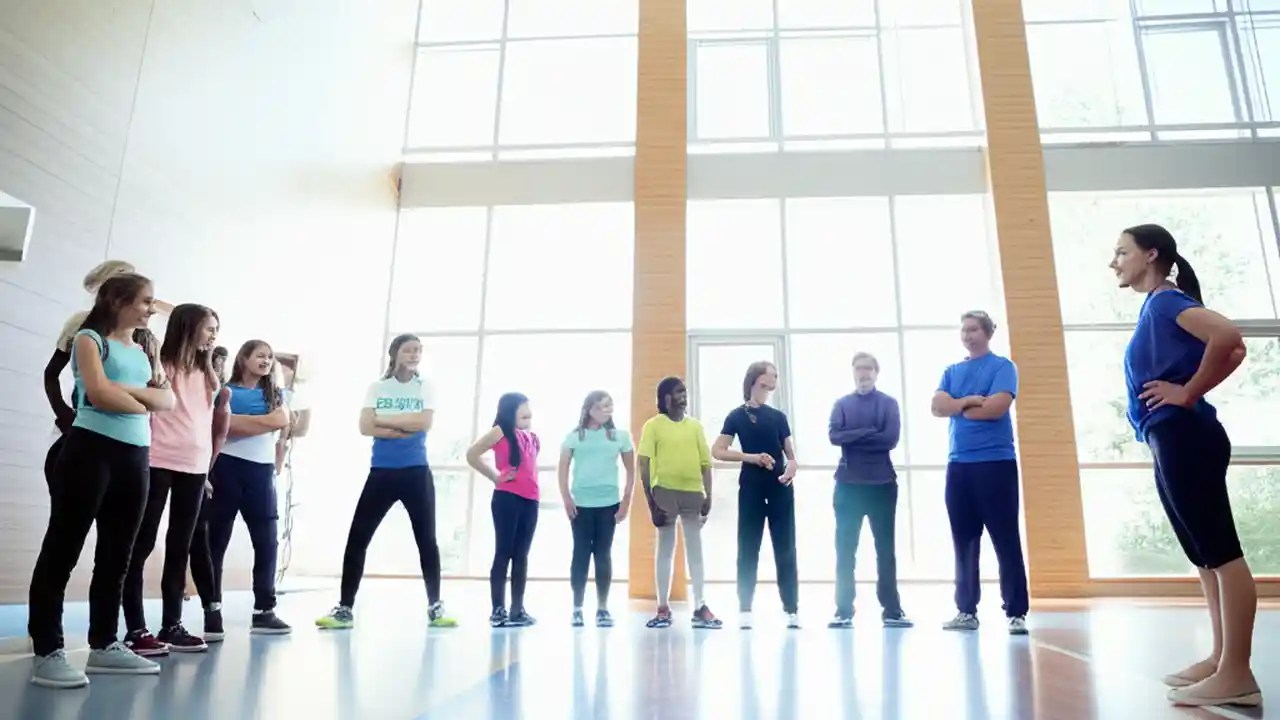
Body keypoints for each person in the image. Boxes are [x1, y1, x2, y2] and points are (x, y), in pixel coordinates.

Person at [1111, 224, 1259, 708]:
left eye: (1121, 252)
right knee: (1203, 557)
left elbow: (1230, 339)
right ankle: (1221, 659)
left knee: (1221, 552)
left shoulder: (1165, 301)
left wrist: (1189, 392)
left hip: (1185, 435)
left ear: (1151, 255)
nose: (1114, 262)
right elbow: (1229, 348)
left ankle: (1237, 671)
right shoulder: (1155, 307)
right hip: (1170, 437)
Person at [27, 273, 174, 688]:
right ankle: (48, 650)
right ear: (118, 300)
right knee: (63, 547)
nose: (150, 308)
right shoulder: (89, 339)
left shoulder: (144, 353)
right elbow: (98, 393)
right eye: (145, 301)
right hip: (90, 452)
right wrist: (141, 397)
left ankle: (105, 643)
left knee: (118, 554)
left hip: (135, 456)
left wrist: (127, 392)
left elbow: (167, 400)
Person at [316, 334, 458, 630]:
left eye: (418, 350)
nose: (414, 354)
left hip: (416, 472)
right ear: (394, 353)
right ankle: (344, 609)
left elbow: (424, 424)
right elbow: (365, 426)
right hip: (381, 472)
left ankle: (435, 606)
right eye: (408, 349)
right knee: (358, 539)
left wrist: (385, 422)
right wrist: (402, 425)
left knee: (426, 540)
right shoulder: (377, 387)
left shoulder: (425, 387)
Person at [120, 305, 222, 657]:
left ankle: (172, 625)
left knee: (180, 547)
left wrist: (206, 471)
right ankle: (135, 628)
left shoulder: (209, 374)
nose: (213, 336)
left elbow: (206, 423)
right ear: (188, 327)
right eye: (209, 328)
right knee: (142, 542)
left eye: (216, 330)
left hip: (194, 467)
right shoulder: (159, 365)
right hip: (157, 460)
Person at [931, 310, 1029, 635]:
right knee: (964, 540)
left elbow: (997, 408)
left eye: (973, 329)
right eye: (964, 330)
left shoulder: (1003, 367)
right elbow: (936, 407)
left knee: (1005, 538)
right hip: (959, 465)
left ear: (986, 333)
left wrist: (958, 406)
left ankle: (1016, 612)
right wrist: (970, 401)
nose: (967, 334)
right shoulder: (951, 370)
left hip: (996, 464)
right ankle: (966, 611)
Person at [207, 340, 292, 634]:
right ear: (243, 359)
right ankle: (212, 609)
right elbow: (218, 424)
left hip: (261, 474)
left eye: (270, 357)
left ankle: (264, 610)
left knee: (267, 542)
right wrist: (262, 423)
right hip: (226, 470)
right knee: (215, 541)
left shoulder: (275, 394)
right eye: (260, 355)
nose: (266, 360)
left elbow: (281, 420)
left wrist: (237, 422)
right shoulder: (225, 390)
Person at [711, 362, 799, 630]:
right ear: (755, 380)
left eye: (773, 380)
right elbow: (718, 450)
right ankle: (745, 607)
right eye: (768, 378)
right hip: (751, 487)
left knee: (785, 546)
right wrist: (751, 457)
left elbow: (791, 455)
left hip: (780, 486)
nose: (771, 384)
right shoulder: (737, 416)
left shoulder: (778, 417)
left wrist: (792, 467)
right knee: (748, 545)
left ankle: (791, 607)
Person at [827, 352, 911, 629]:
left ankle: (892, 610)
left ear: (876, 373)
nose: (863, 374)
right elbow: (834, 437)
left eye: (868, 370)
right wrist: (867, 431)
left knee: (885, 550)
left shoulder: (888, 404)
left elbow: (890, 439)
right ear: (852, 373)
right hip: (848, 486)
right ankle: (843, 609)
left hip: (882, 485)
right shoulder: (842, 404)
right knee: (845, 550)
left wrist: (853, 436)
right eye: (859, 369)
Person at [42, 261, 137, 491]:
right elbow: (51, 373)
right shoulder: (81, 323)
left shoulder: (137, 330)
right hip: (83, 427)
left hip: (124, 435)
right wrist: (63, 414)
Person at [638, 376, 721, 630]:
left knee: (695, 550)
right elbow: (644, 463)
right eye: (678, 392)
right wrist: (651, 502)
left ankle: (700, 606)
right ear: (666, 398)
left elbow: (706, 463)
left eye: (685, 391)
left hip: (692, 493)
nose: (684, 396)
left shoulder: (695, 426)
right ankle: (662, 607)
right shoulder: (653, 426)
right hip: (664, 492)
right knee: (665, 548)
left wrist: (709, 494)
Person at [557, 391, 635, 628]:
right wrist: (566, 498)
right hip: (581, 505)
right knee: (580, 554)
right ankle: (577, 608)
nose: (607, 411)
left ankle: (602, 608)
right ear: (589, 409)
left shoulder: (619, 436)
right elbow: (562, 470)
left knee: (603, 555)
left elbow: (632, 472)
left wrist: (626, 501)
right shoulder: (574, 437)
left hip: (608, 505)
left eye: (610, 407)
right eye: (602, 407)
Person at [467, 393, 541, 628]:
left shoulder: (533, 438)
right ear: (510, 411)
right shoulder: (500, 431)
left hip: (531, 501)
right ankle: (498, 610)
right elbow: (472, 454)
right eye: (522, 408)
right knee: (504, 553)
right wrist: (495, 477)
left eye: (529, 408)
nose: (527, 412)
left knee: (521, 556)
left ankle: (517, 610)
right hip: (507, 499)